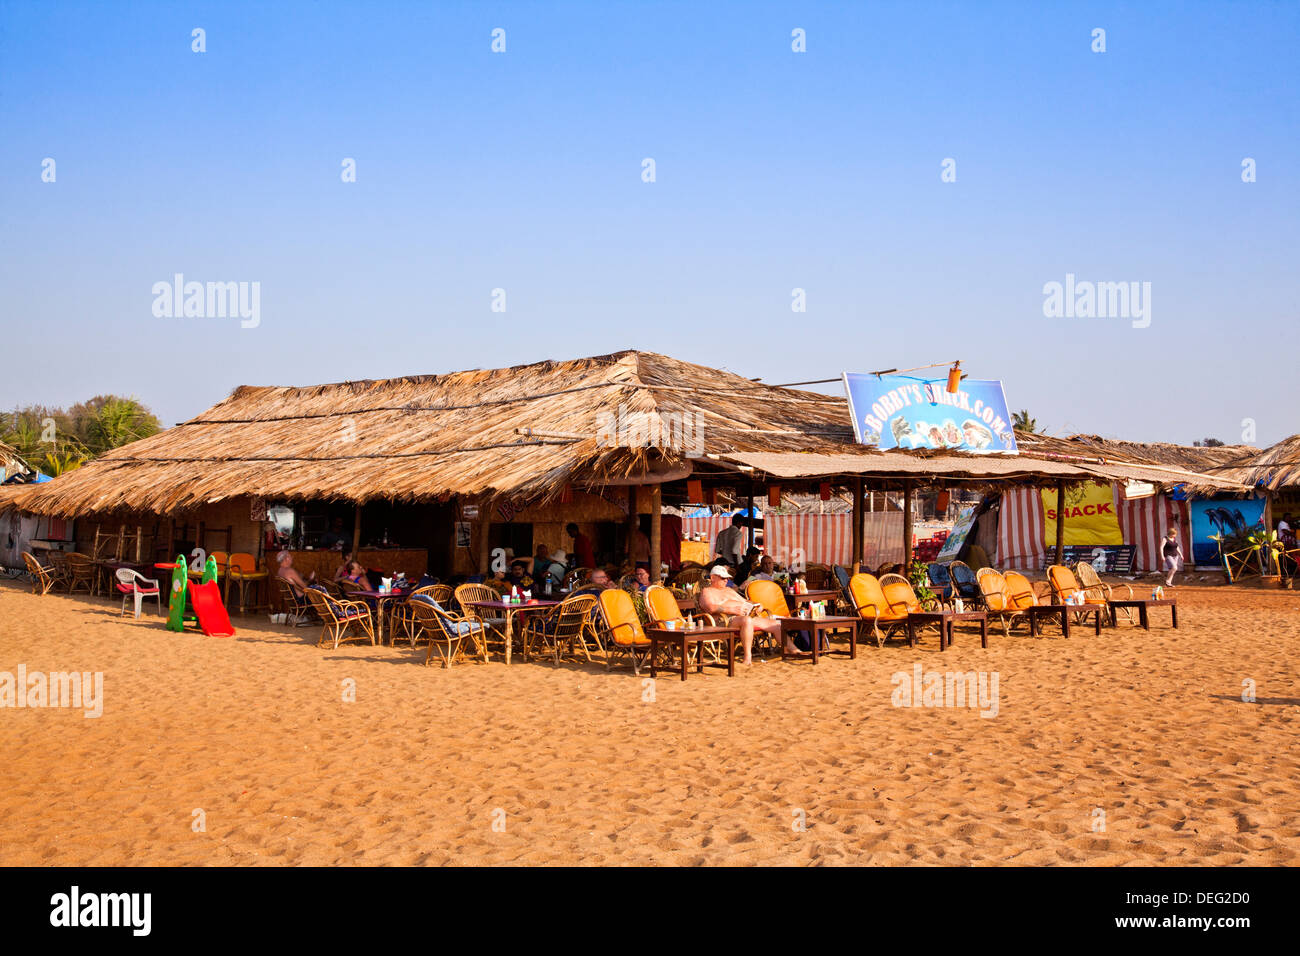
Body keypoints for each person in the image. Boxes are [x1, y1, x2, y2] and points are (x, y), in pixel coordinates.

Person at [697, 565, 792, 666]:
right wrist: (732, 610)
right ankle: (748, 657)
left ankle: (792, 651)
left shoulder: (729, 590)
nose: (726, 580)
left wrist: (757, 604)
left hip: (741, 617)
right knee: (747, 621)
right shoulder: (707, 591)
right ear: (713, 577)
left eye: (727, 578)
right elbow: (710, 608)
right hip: (723, 621)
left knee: (774, 624)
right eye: (723, 578)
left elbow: (745, 601)